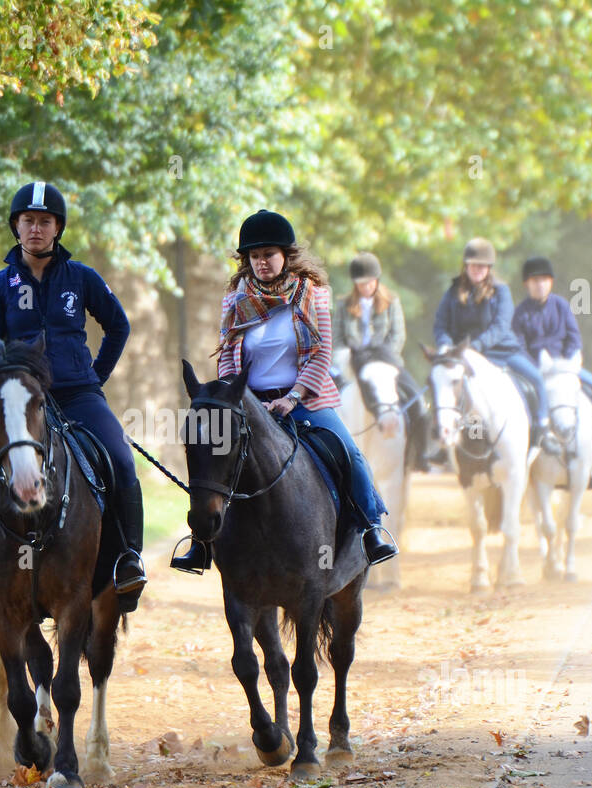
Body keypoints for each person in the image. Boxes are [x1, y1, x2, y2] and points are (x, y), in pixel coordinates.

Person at [0, 181, 147, 609]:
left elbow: (119, 326)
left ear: (58, 228)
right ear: (16, 227)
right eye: (28, 221)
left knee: (122, 460)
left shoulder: (82, 278)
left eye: (45, 221)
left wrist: (95, 376)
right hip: (17, 402)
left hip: (77, 394)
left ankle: (128, 560)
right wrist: (1, 387)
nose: (36, 228)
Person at [172, 209, 399, 571]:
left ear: (285, 255)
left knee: (350, 453)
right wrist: (237, 396)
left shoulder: (313, 293)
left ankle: (372, 529)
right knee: (210, 451)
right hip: (248, 401)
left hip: (303, 399)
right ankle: (201, 543)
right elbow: (228, 355)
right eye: (254, 256)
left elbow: (322, 351)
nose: (261, 262)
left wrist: (292, 397)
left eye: (268, 255)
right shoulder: (234, 298)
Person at [431, 238, 553, 450]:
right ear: (466, 266)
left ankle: (542, 430)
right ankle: (444, 436)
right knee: (441, 381)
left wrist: (475, 347)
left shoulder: (501, 291)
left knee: (536, 380)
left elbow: (500, 326)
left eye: (482, 266)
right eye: (473, 265)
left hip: (501, 351)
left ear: (489, 268)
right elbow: (441, 324)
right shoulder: (453, 291)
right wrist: (445, 345)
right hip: (462, 355)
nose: (478, 269)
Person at [511, 256, 592, 462]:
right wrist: (535, 366)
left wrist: (569, 360)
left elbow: (574, 337)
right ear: (526, 284)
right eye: (535, 280)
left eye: (544, 280)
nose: (540, 284)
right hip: (539, 370)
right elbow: (519, 346)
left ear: (551, 282)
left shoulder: (562, 306)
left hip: (566, 366)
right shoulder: (520, 313)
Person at [337, 251, 432, 470]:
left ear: (377, 280)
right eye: (361, 283)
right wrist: (351, 361)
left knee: (419, 403)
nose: (366, 287)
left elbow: (398, 336)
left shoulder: (392, 301)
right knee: (331, 403)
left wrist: (381, 362)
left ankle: (421, 454)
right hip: (353, 365)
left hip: (386, 364)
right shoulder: (344, 304)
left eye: (369, 282)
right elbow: (338, 339)